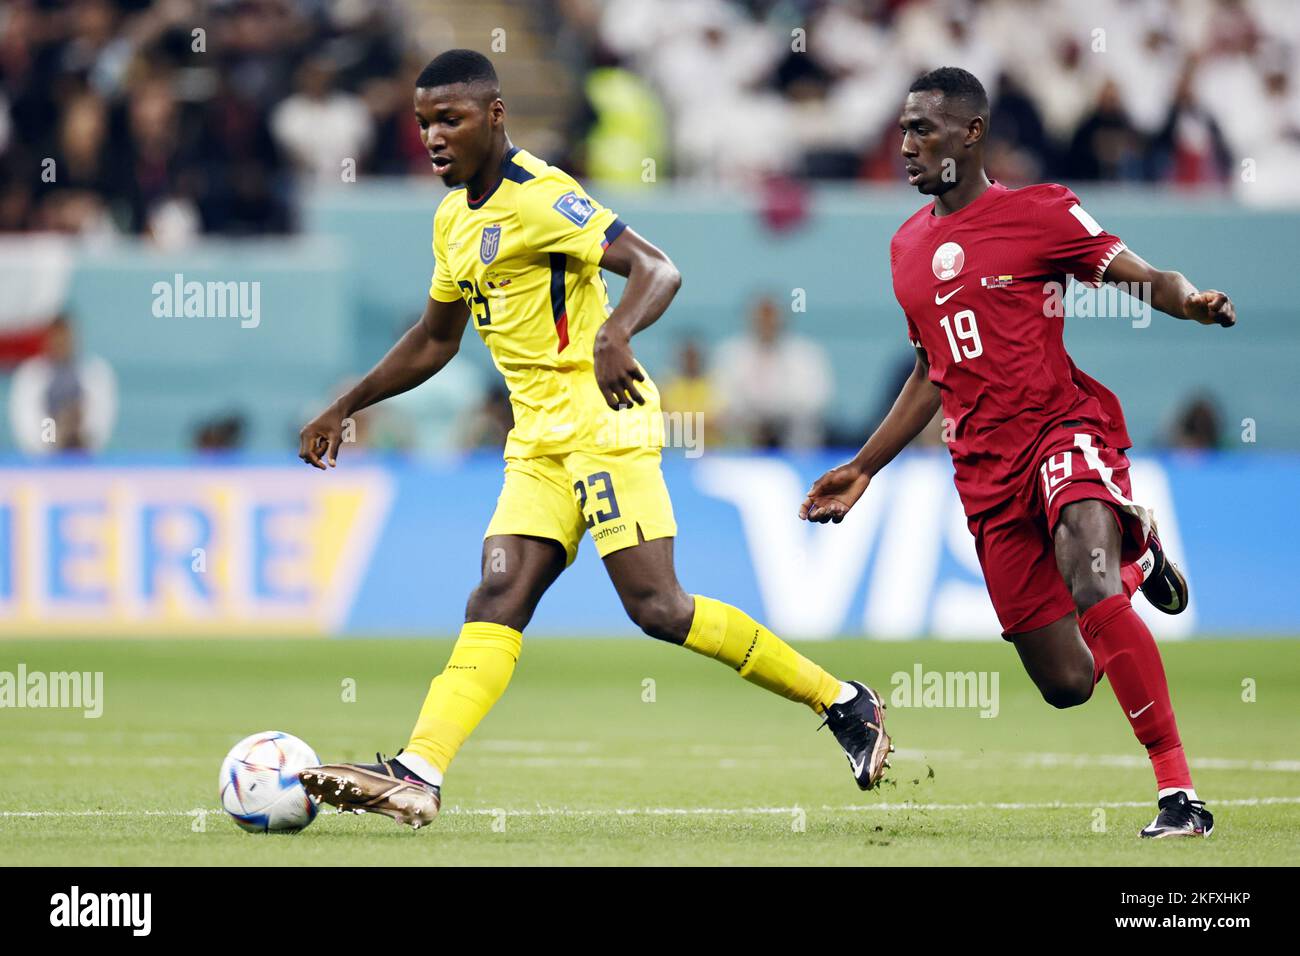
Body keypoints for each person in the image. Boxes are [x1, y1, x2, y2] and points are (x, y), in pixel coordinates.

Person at [295, 50, 891, 828]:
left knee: (658, 608)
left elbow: (658, 270)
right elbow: (436, 338)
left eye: (450, 119)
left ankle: (843, 701)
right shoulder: (451, 220)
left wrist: (615, 332)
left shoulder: (542, 195)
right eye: (424, 123)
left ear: (495, 115)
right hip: (537, 442)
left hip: (604, 423)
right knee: (497, 594)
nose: (434, 137)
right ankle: (420, 771)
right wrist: (347, 403)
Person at [801, 68, 1235, 840]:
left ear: (971, 133)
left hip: (1062, 430)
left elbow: (1146, 278)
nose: (907, 146)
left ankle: (1179, 796)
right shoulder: (906, 247)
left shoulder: (1042, 213)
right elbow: (932, 372)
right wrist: (865, 466)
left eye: (923, 130)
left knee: (1088, 576)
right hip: (985, 476)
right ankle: (1140, 559)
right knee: (1067, 682)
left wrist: (1189, 302)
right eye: (903, 131)